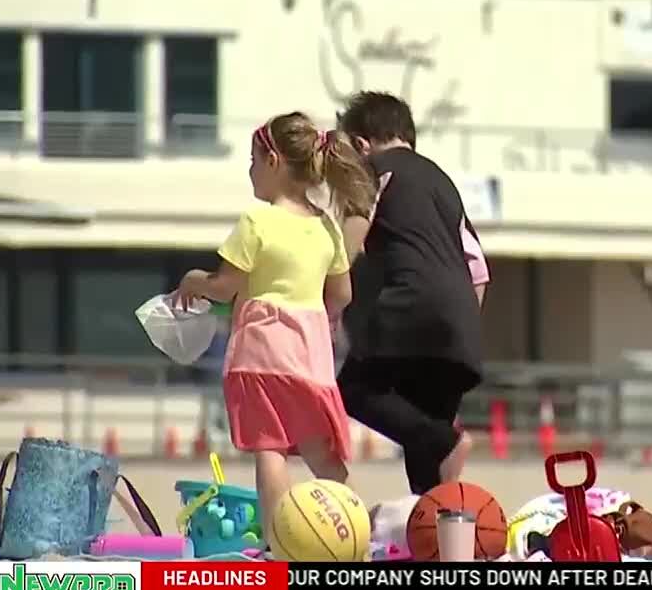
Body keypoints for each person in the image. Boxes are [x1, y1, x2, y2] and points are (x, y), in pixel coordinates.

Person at [170, 111, 377, 541]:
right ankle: (358, 535)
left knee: (270, 448)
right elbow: (342, 294)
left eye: (253, 160)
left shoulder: (256, 222)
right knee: (321, 453)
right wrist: (321, 318)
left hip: (260, 352)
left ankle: (277, 543)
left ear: (273, 161)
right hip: (310, 357)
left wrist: (193, 280)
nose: (250, 170)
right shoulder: (326, 228)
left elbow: (224, 288)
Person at [334, 91, 490, 496]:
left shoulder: (374, 171)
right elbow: (478, 268)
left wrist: (329, 292)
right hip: (460, 325)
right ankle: (438, 528)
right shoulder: (443, 183)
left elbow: (351, 239)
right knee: (425, 458)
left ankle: (445, 441)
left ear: (361, 144)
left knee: (354, 390)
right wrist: (458, 324)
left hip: (408, 306)